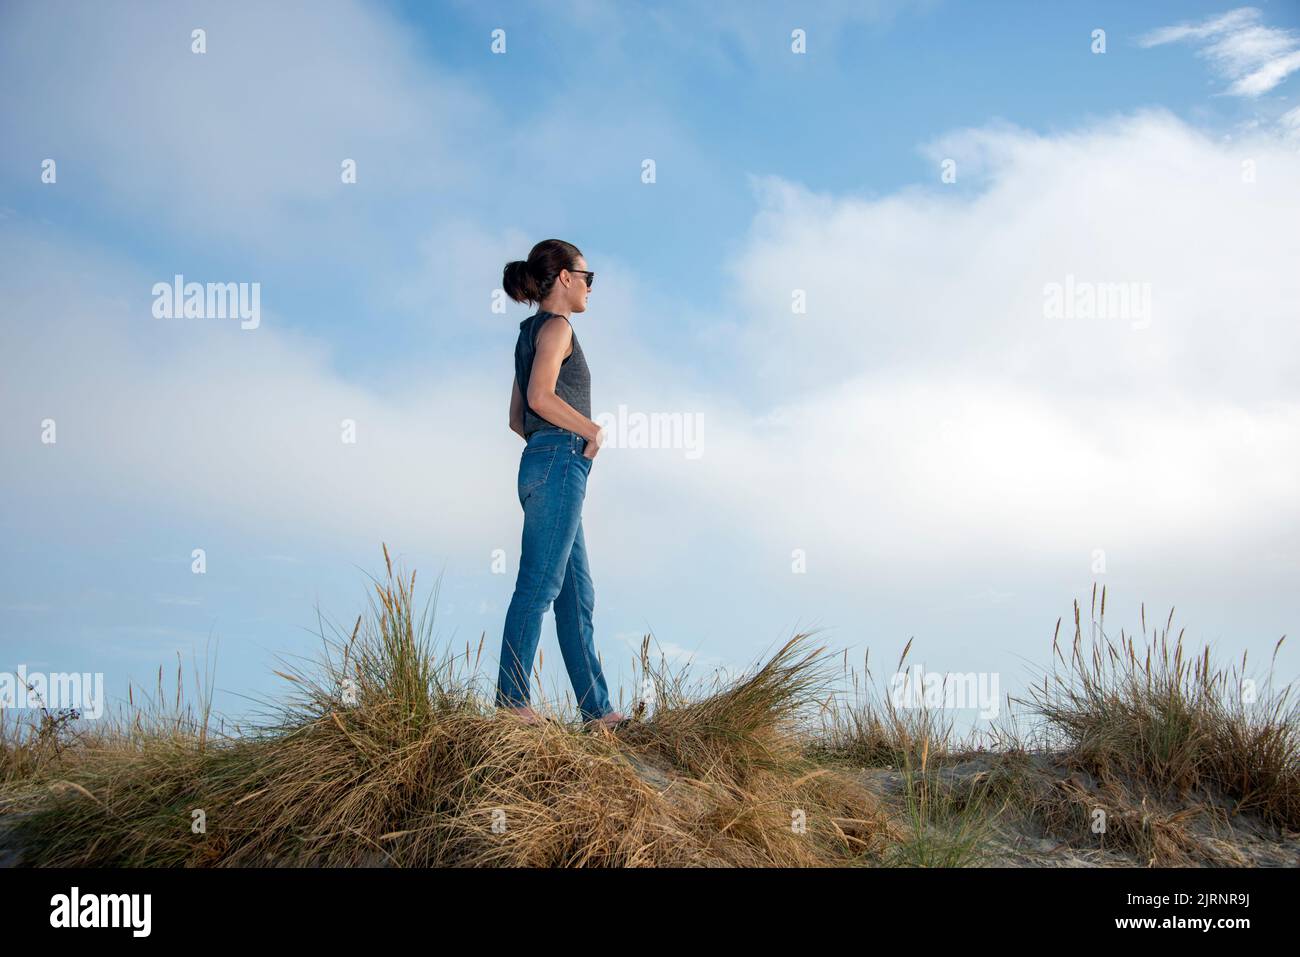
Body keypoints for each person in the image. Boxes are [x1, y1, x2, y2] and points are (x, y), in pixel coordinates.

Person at [497, 239, 628, 732]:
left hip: (541, 461)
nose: (591, 287)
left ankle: (599, 714)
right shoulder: (556, 327)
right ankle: (511, 704)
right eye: (587, 277)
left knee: (575, 595)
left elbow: (517, 418)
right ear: (566, 278)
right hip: (559, 462)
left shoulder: (527, 333)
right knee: (540, 585)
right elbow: (539, 397)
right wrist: (590, 431)